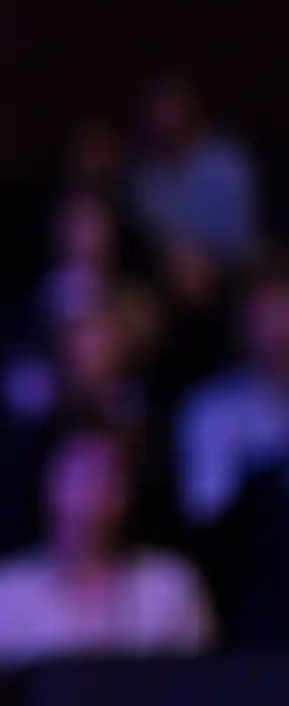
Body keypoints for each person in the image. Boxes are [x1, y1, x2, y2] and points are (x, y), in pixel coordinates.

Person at [0, 427, 214, 666]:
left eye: (111, 475)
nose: (97, 489)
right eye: (81, 474)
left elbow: (200, 688)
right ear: (47, 484)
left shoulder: (169, 586)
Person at [176, 259, 289, 524]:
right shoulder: (214, 409)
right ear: (246, 325)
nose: (282, 330)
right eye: (268, 316)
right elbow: (207, 510)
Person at [130, 77, 258, 266]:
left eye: (174, 113)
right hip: (170, 270)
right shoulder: (145, 180)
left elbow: (241, 236)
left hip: (230, 266)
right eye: (160, 115)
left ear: (191, 114)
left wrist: (205, 255)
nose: (167, 122)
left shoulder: (225, 163)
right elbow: (152, 242)